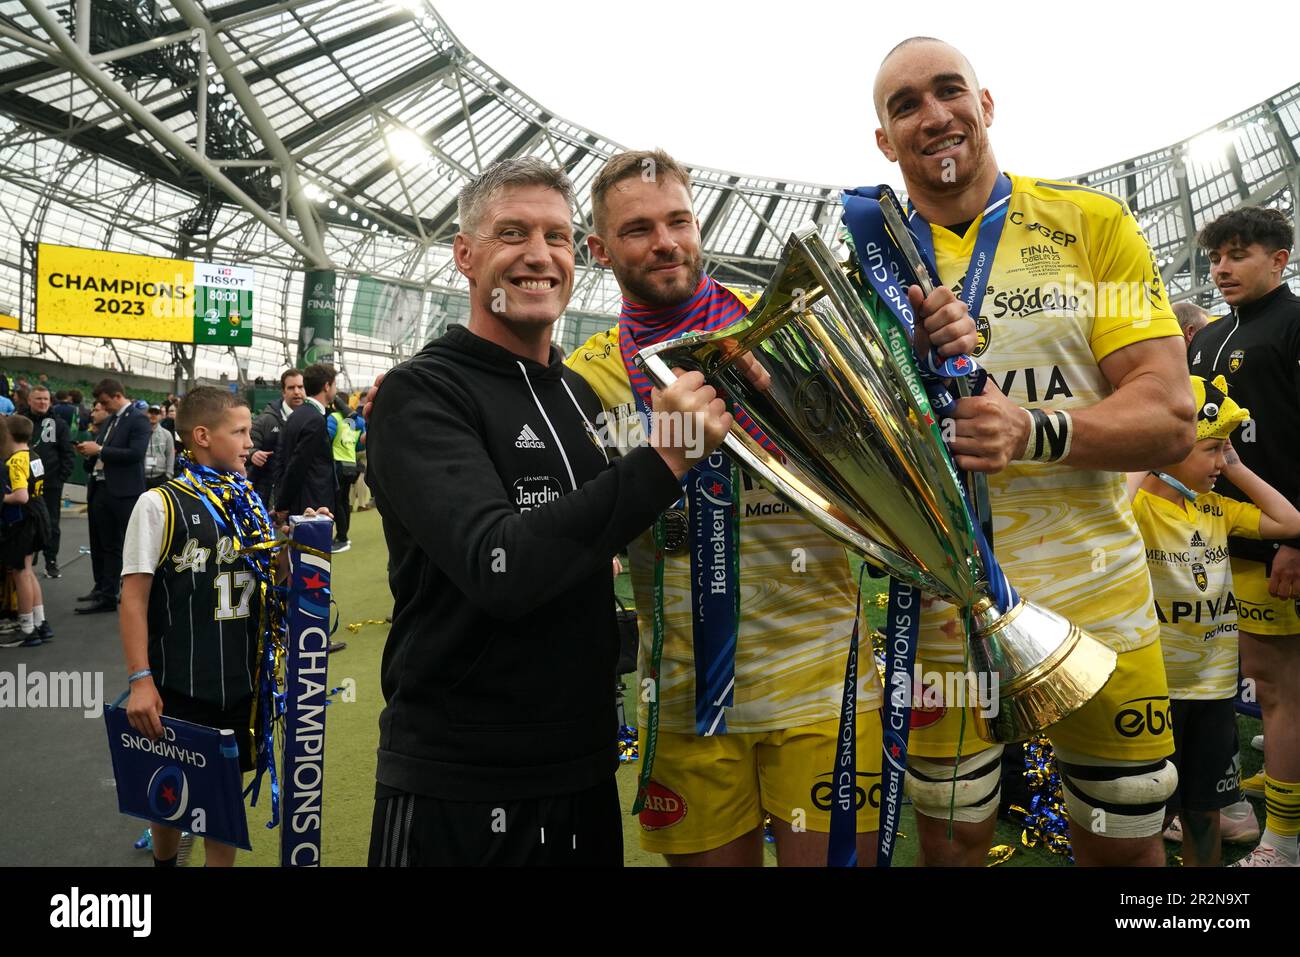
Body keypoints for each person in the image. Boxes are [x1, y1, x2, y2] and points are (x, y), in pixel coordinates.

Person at [564, 148, 960, 865]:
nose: (666, 242)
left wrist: (930, 350)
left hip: (821, 684)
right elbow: (583, 528)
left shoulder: (785, 331)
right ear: (598, 248)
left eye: (679, 221)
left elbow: (893, 447)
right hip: (687, 697)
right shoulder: (587, 376)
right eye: (638, 229)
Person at [872, 37, 1195, 866]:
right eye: (905, 105)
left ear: (986, 105)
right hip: (945, 613)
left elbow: (1169, 416)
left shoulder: (1092, 224)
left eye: (951, 92)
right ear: (884, 140)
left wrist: (1033, 429)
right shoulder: (864, 268)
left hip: (1100, 601)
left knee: (1124, 839)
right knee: (950, 838)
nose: (934, 115)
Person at [365, 157, 730, 867]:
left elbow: (592, 545)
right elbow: (502, 565)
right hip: (462, 783)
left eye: (557, 237)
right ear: (465, 255)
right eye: (512, 233)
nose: (539, 255)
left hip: (583, 770)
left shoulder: (573, 394)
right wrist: (668, 455)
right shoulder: (421, 393)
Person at [117, 386, 326, 867]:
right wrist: (140, 679)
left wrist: (298, 544)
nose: (250, 440)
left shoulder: (247, 500)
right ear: (203, 436)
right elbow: (133, 598)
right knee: (168, 793)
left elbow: (272, 583)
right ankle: (165, 862)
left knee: (223, 802)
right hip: (178, 682)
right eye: (240, 432)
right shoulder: (158, 504)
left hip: (241, 683)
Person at [1134, 376, 1300, 865]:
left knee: (1205, 815)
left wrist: (1236, 465)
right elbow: (1115, 509)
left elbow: (1291, 522)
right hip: (1156, 696)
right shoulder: (1138, 509)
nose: (1218, 464)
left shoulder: (1215, 509)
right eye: (1211, 451)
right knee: (1147, 823)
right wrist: (1148, 451)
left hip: (1213, 694)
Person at [1188, 204, 1300, 866]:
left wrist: (1297, 541)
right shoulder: (1207, 339)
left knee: (1279, 687)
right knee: (1253, 679)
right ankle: (1261, 793)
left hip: (1279, 544)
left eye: (1237, 255)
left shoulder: (1294, 324)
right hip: (1215, 543)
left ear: (1279, 258)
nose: (1222, 268)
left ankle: (1283, 842)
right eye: (1215, 258)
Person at [74, 379, 151, 614]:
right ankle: (102, 587)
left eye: (106, 402)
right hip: (101, 488)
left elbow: (136, 454)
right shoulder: (110, 421)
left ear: (118, 396)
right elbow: (102, 448)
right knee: (100, 541)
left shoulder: (138, 419)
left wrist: (99, 450)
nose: (104, 407)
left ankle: (112, 594)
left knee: (119, 544)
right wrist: (90, 451)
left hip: (124, 492)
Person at [0, 415, 53, 647]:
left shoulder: (14, 462)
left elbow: (20, 495)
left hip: (24, 519)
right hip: (39, 513)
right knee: (29, 571)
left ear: (7, 435)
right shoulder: (34, 455)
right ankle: (40, 622)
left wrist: (3, 497)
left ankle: (26, 628)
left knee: (20, 573)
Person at [273, 364, 337, 541]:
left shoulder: (296, 415)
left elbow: (282, 461)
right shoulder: (314, 419)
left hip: (300, 504)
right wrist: (282, 505)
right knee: (312, 563)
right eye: (334, 384)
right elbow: (297, 464)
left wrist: (281, 502)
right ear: (326, 386)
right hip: (312, 508)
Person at [26, 385, 75, 578]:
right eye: (38, 399)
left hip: (51, 484)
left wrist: (60, 477)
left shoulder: (59, 424)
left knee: (51, 523)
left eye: (46, 399)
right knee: (24, 522)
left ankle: (51, 561)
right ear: (29, 400)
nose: (43, 402)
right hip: (24, 483)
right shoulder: (20, 420)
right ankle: (27, 557)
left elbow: (67, 453)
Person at [248, 369, 305, 509]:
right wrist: (253, 453)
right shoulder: (265, 420)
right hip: (269, 493)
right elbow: (245, 445)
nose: (297, 392)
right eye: (291, 388)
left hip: (302, 492)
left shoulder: (313, 418)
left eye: (300, 387)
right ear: (283, 391)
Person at [326, 396, 364, 551]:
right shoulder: (354, 420)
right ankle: (343, 535)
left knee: (338, 503)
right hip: (351, 464)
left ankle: (342, 537)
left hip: (337, 465)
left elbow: (327, 439)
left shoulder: (333, 418)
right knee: (344, 502)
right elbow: (360, 441)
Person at [143, 404, 175, 489]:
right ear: (146, 414)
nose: (153, 415)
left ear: (161, 416)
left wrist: (168, 475)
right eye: (151, 412)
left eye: (156, 413)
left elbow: (170, 455)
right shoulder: (140, 433)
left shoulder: (166, 434)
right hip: (142, 478)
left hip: (160, 478)